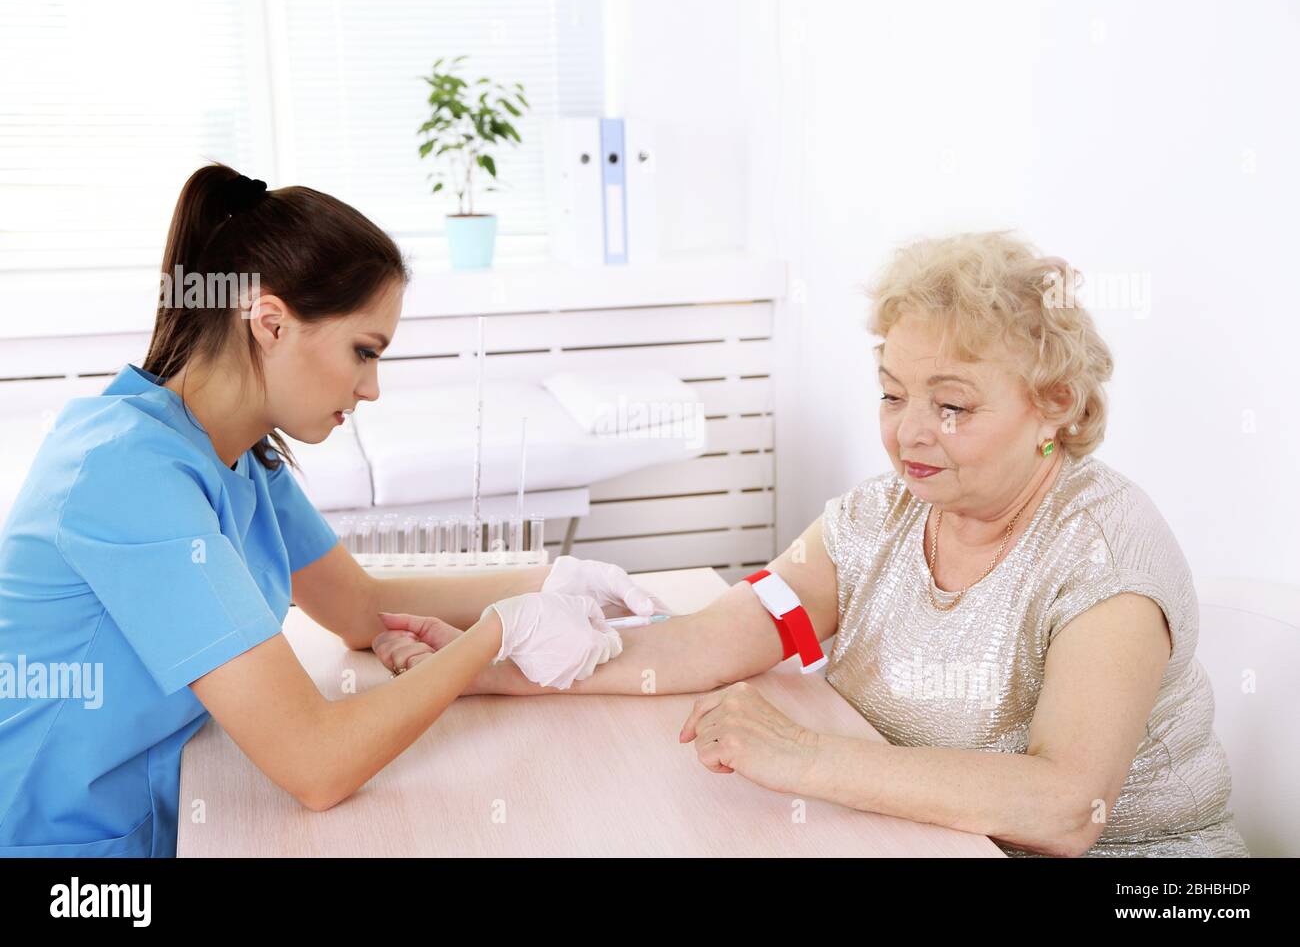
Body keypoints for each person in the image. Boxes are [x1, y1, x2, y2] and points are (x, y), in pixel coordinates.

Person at [376, 231, 1250, 857]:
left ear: (1054, 404)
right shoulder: (883, 515)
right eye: (892, 393)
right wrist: (477, 666)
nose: (910, 434)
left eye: (952, 405)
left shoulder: (1104, 557)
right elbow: (708, 640)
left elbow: (1068, 808)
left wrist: (807, 756)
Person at [0, 164, 656, 857]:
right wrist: (495, 635)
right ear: (271, 323)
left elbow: (357, 605)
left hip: (170, 816)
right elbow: (316, 765)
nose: (371, 388)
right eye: (363, 352)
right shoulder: (126, 473)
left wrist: (545, 582)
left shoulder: (234, 451)